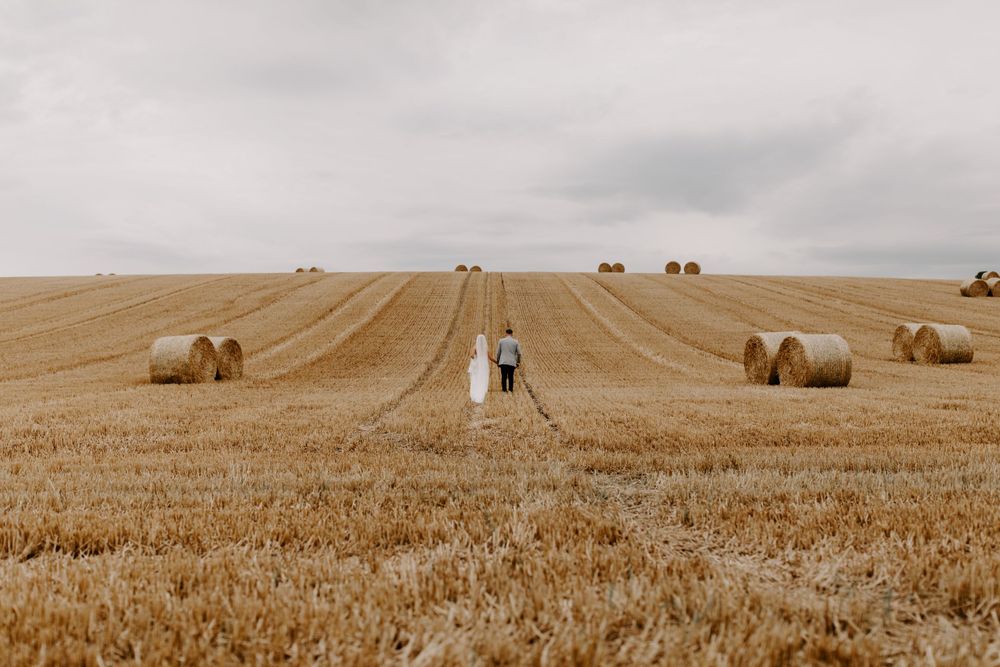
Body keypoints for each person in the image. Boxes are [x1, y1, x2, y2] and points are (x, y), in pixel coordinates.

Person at [468, 334, 495, 404]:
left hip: (478, 364)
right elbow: (490, 358)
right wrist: (497, 362)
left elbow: (471, 355)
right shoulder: (485, 347)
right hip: (484, 364)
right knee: (483, 377)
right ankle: (483, 390)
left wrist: (475, 359)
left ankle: (476, 389)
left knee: (476, 377)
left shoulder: (475, 347)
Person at [495, 328, 521, 393]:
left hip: (503, 361)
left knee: (504, 376)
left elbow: (498, 352)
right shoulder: (515, 341)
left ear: (506, 333)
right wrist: (518, 362)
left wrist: (498, 360)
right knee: (511, 376)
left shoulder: (501, 341)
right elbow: (519, 353)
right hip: (512, 362)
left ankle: (504, 389)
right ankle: (510, 389)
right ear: (512, 334)